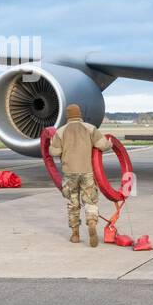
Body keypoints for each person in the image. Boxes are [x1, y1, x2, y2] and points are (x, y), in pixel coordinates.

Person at [49, 104, 111, 245]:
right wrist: (111, 144)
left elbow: (54, 152)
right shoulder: (90, 128)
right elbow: (103, 145)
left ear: (67, 116)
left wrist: (52, 145)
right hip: (87, 171)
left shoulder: (61, 131)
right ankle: (91, 222)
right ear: (80, 114)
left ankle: (75, 234)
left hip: (69, 172)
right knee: (90, 200)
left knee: (73, 203)